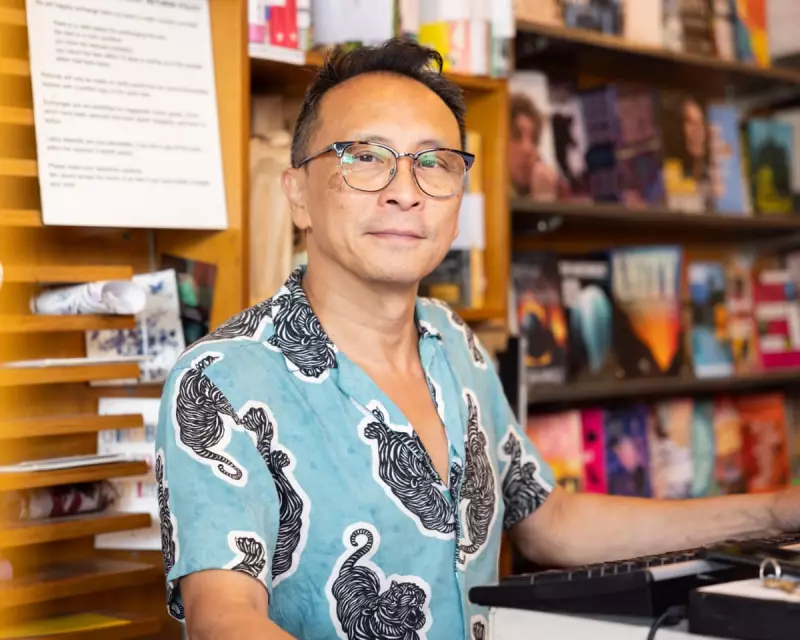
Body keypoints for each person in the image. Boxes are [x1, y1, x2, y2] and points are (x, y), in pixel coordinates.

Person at [155, 38, 800, 640]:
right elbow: (224, 617)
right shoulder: (220, 379)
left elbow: (550, 521)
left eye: (434, 163)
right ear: (298, 194)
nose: (406, 192)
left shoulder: (452, 341)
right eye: (367, 158)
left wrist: (775, 512)